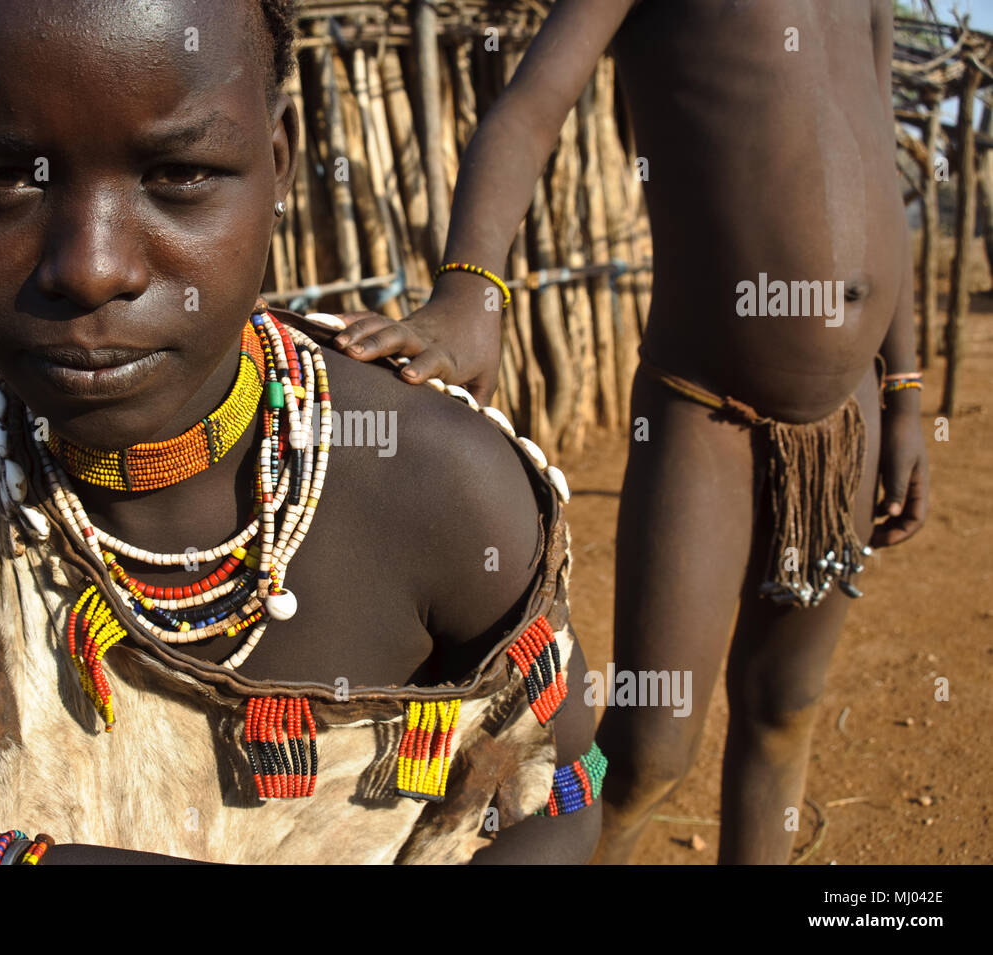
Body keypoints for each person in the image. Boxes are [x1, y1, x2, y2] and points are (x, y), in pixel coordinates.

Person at [0, 0, 601, 865]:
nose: (90, 267)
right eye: (3, 178)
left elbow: (563, 795)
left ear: (281, 165)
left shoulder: (437, 484)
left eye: (179, 176)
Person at [332, 0, 929, 863]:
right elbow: (531, 109)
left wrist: (906, 393)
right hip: (705, 410)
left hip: (849, 420)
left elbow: (878, 162)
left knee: (786, 704)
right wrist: (470, 288)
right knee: (649, 748)